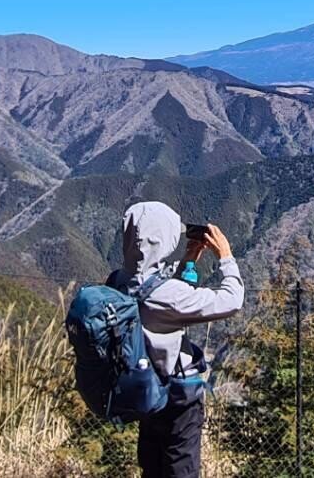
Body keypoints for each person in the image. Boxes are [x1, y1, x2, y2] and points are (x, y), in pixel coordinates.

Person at [112, 201, 245, 478]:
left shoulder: (116, 282)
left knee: (153, 467)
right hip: (179, 399)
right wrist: (226, 258)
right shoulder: (167, 295)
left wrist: (187, 261)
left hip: (147, 390)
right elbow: (232, 301)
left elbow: (154, 286)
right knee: (179, 469)